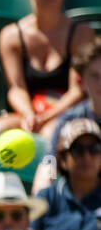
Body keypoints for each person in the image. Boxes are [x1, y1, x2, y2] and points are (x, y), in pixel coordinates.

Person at [0, 0, 92, 144]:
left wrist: (46, 117)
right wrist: (29, 115)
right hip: (28, 114)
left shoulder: (82, 33)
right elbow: (16, 88)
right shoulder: (10, 35)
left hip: (68, 114)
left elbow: (77, 90)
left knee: (51, 132)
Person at [34, 118, 101, 230]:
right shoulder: (46, 198)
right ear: (63, 160)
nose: (87, 157)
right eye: (78, 150)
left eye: (94, 149)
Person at [36, 36, 101, 191]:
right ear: (81, 82)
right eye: (95, 76)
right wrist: (43, 195)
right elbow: (50, 162)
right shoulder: (69, 119)